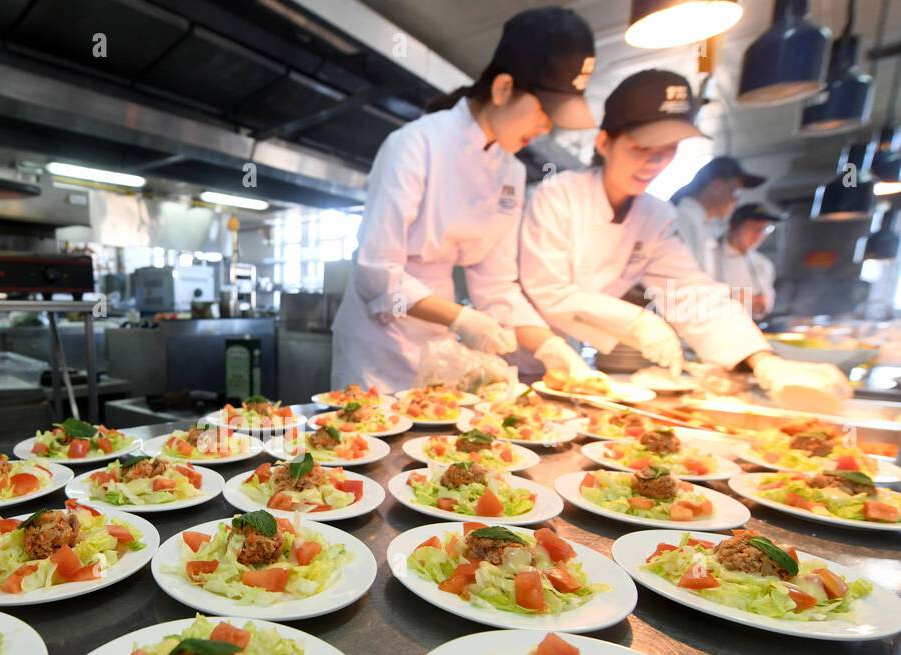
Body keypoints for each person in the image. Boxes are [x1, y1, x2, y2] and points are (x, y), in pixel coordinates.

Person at [518, 69, 850, 409]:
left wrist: (762, 359)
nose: (654, 161)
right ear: (604, 143)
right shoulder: (557, 196)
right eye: (641, 147)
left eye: (668, 149)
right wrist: (638, 322)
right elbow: (550, 292)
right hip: (515, 346)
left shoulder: (656, 216)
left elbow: (692, 292)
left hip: (566, 358)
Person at [330, 6, 598, 392]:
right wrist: (463, 320)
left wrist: (550, 346)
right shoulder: (415, 143)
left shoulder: (512, 172)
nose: (545, 128)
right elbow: (376, 273)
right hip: (376, 349)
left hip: (439, 350)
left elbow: (497, 285)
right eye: (544, 111)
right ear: (503, 88)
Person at [670, 156, 766, 270]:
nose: (737, 200)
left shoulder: (699, 221)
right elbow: (683, 277)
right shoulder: (684, 218)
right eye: (736, 192)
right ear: (716, 186)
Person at [713, 203, 784, 320]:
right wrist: (740, 297)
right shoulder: (710, 255)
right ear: (734, 227)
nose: (758, 235)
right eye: (753, 228)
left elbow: (767, 302)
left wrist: (761, 303)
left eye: (764, 229)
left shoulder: (763, 263)